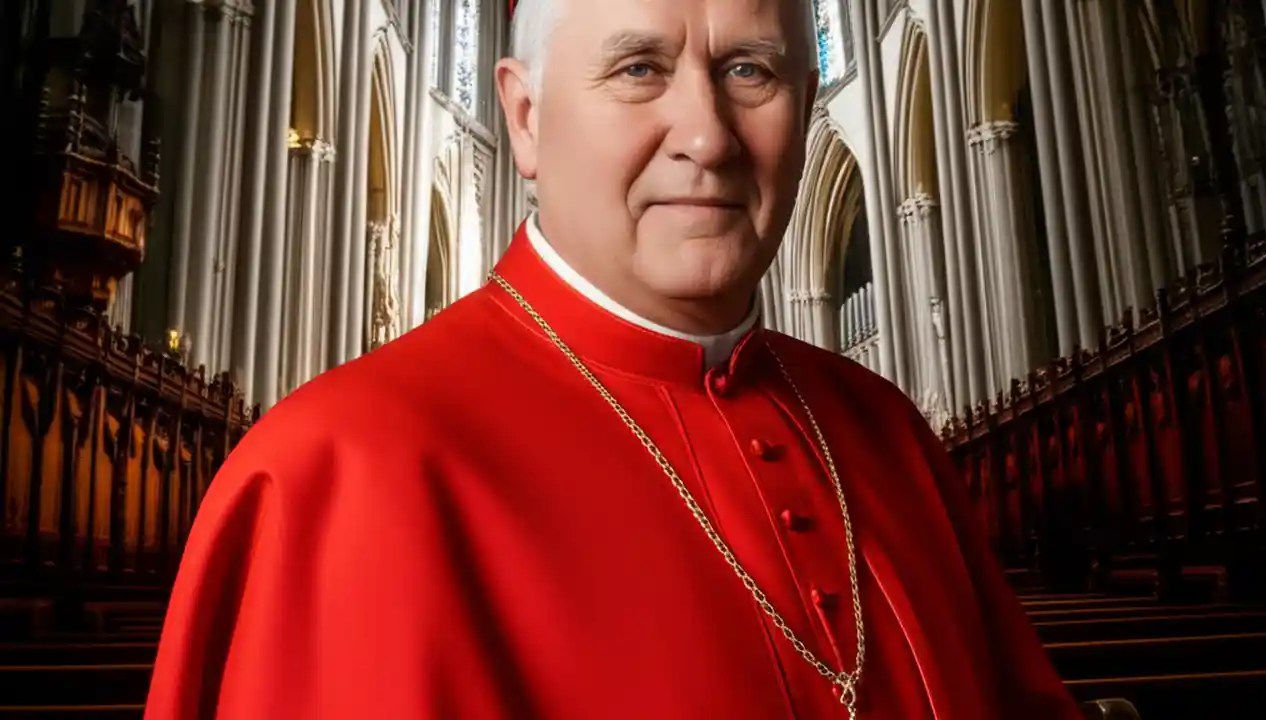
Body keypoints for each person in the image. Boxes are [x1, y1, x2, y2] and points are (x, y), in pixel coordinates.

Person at [143, 0, 1083, 718]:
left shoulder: (884, 429)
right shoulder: (334, 469)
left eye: (750, 71)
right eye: (639, 68)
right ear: (523, 118)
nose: (708, 137)